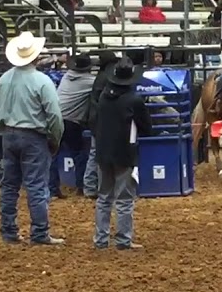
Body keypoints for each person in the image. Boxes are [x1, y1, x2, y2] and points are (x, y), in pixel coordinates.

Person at [0, 32, 64, 245]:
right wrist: (54, 139)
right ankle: (40, 233)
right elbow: (54, 116)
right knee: (37, 186)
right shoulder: (42, 81)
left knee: (9, 185)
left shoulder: (4, 79)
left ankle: (9, 231)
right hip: (33, 136)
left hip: (9, 134)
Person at [90, 57, 152, 251]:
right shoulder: (134, 100)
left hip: (103, 152)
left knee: (104, 197)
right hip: (124, 153)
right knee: (124, 199)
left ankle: (101, 240)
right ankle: (123, 240)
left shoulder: (103, 97)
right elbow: (147, 128)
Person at [55, 54, 96, 198]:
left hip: (55, 118)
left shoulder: (67, 76)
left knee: (53, 154)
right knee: (79, 153)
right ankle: (81, 186)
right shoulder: (90, 81)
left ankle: (53, 188)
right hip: (71, 121)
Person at [83, 51, 118, 199]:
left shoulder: (100, 77)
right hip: (101, 120)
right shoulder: (107, 78)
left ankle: (90, 186)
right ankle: (93, 187)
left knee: (94, 152)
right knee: (97, 153)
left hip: (95, 118)